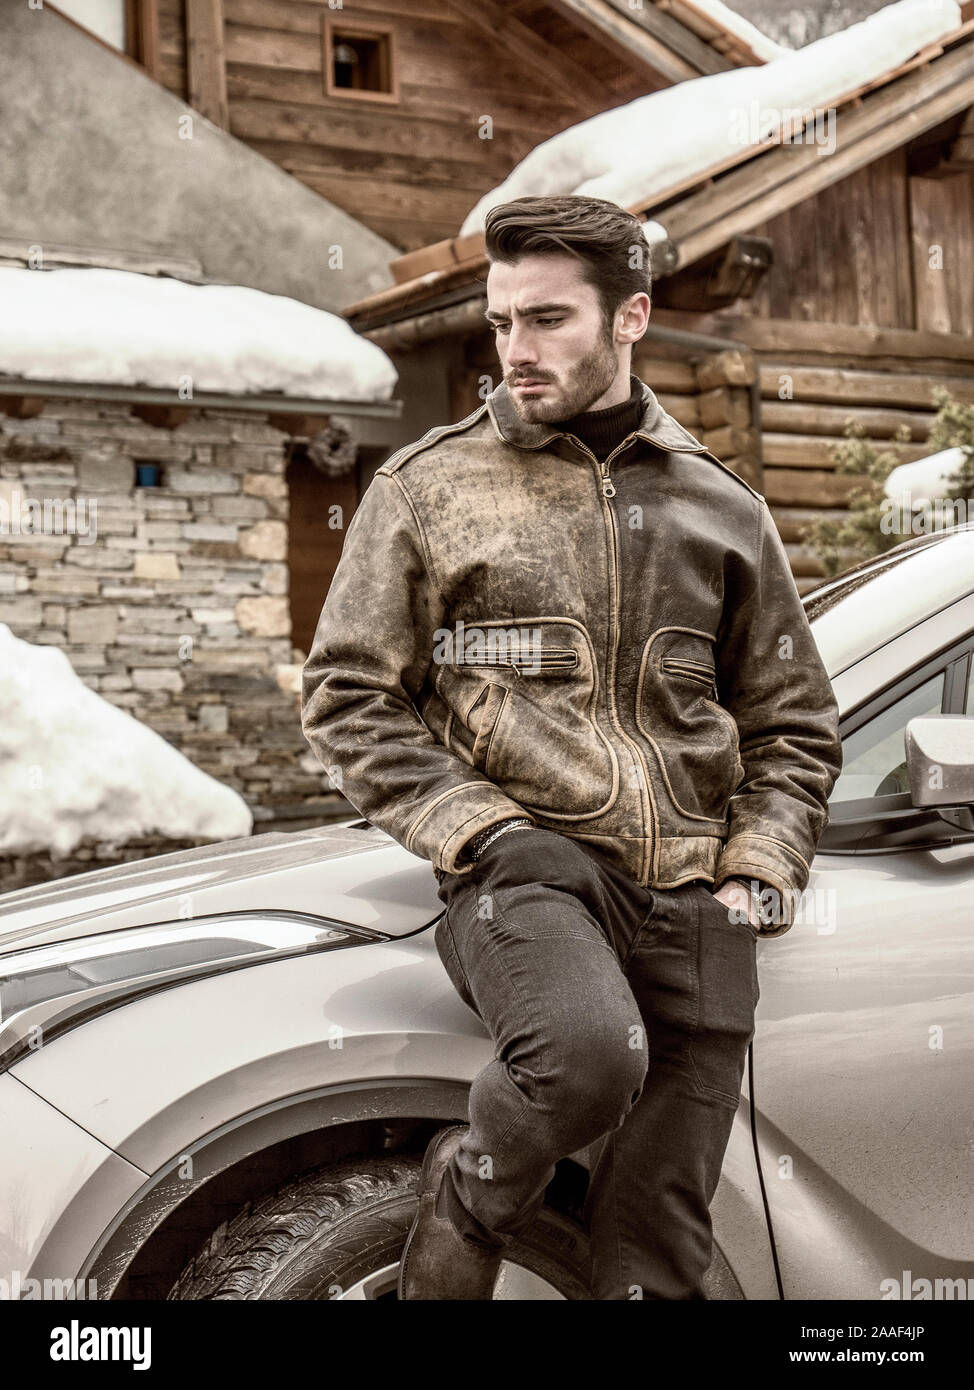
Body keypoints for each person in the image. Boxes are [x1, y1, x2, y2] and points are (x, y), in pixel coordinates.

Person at [301, 194, 842, 1300]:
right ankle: (468, 1193)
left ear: (629, 317)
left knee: (657, 1257)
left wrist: (755, 868)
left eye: (546, 320)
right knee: (586, 1059)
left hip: (696, 903)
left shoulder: (720, 507)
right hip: (532, 877)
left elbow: (792, 723)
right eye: (502, 322)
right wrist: (482, 830)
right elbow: (348, 695)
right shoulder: (427, 489)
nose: (515, 351)